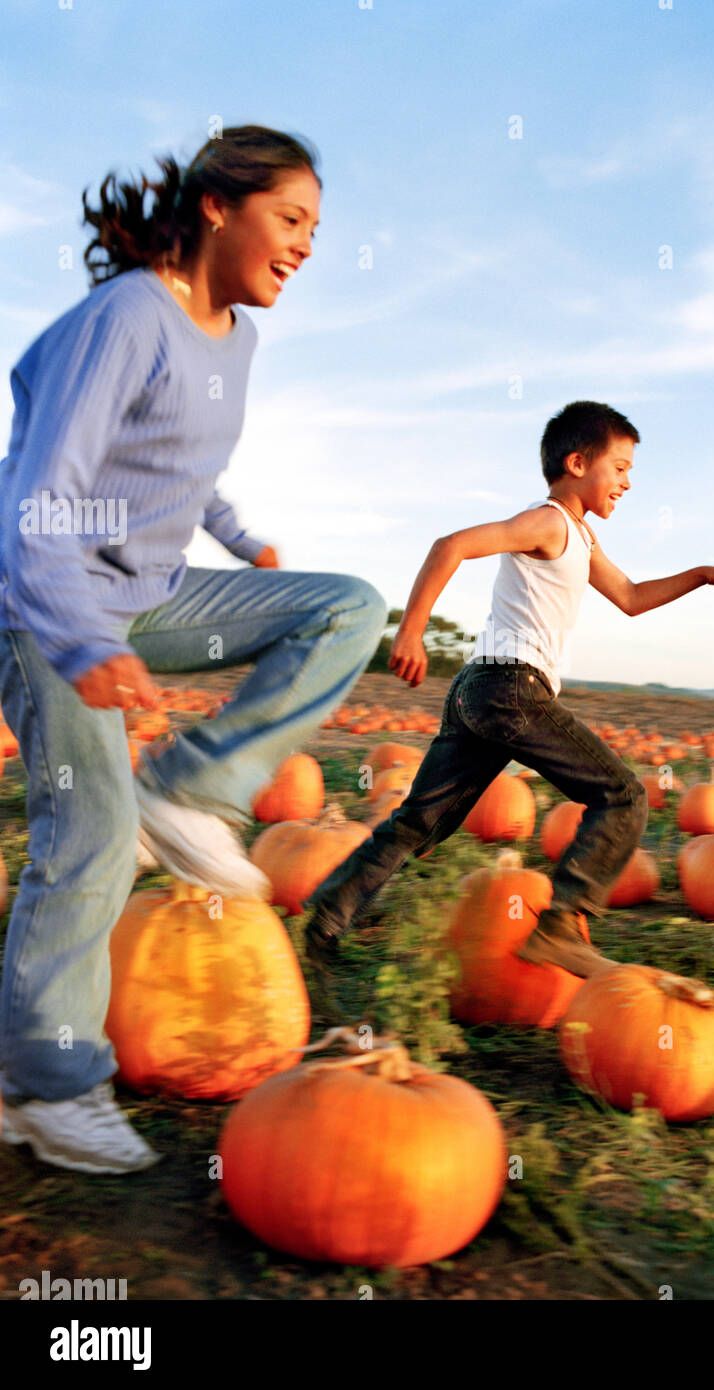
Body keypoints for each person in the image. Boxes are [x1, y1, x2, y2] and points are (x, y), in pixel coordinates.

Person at [0, 126, 387, 1174]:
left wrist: (239, 536)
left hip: (152, 593)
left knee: (346, 606)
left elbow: (178, 460)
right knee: (85, 833)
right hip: (51, 600)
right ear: (218, 208)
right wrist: (79, 638)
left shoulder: (234, 338)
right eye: (291, 218)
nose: (306, 245)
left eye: (315, 228)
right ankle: (44, 1084)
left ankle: (187, 792)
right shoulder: (124, 317)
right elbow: (44, 493)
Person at [305, 400, 714, 976]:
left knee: (417, 822)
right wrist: (410, 631)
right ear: (577, 463)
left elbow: (633, 598)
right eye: (620, 468)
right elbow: (450, 546)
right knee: (623, 797)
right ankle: (561, 926)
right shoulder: (548, 522)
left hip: (481, 692)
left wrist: (703, 576)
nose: (628, 482)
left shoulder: (582, 540)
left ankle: (323, 923)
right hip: (511, 689)